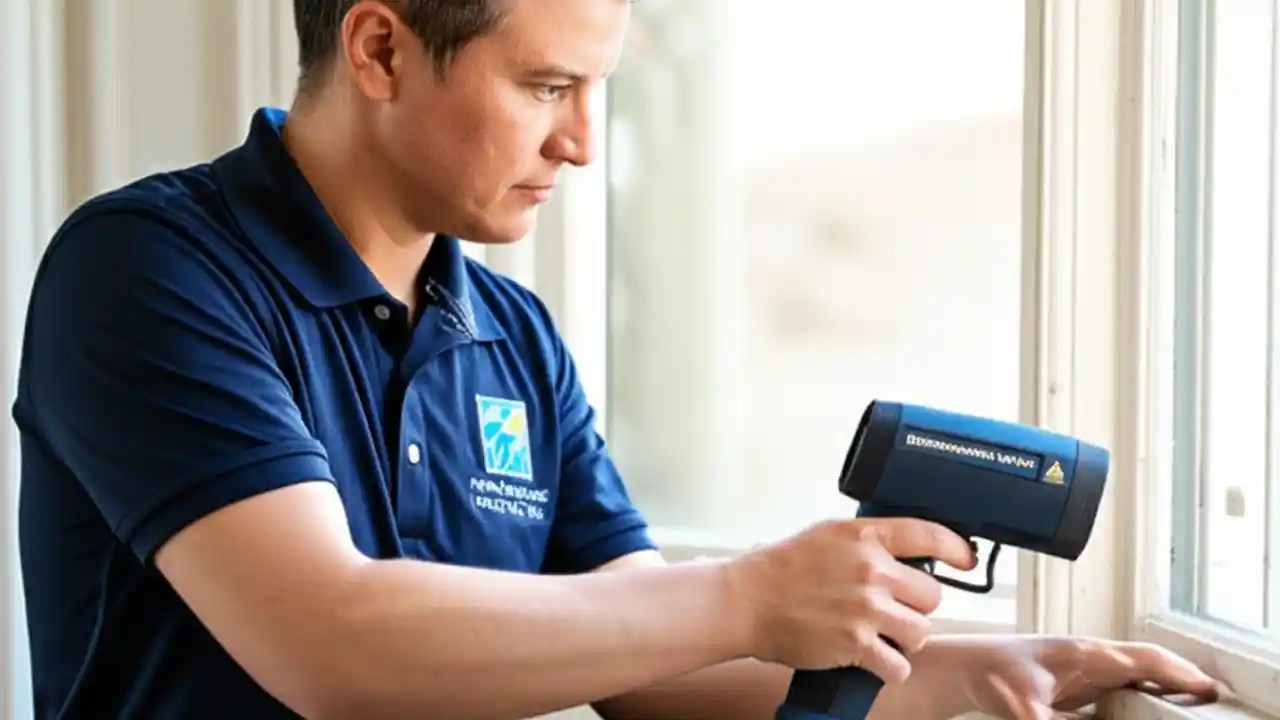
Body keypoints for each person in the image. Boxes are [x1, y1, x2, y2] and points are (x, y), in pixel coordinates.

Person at [12, 0, 1219, 718]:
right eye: (547, 84)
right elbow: (332, 643)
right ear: (378, 49)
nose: (582, 142)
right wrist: (751, 592)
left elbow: (652, 678)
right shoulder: (149, 270)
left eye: (596, 89)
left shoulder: (514, 339)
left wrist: (969, 669)